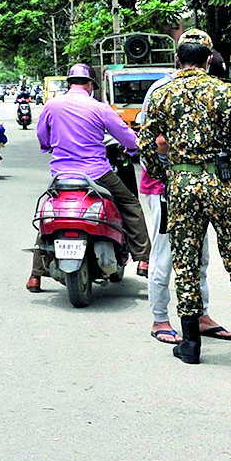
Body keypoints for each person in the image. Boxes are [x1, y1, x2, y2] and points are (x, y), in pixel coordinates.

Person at [143, 40, 231, 369]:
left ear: (177, 59)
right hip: (222, 183)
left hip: (183, 185)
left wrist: (162, 173)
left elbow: (146, 142)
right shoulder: (226, 92)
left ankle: (190, 343)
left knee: (186, 264)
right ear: (208, 60)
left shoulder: (161, 93)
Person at [135, 34, 231, 345]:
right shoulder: (163, 91)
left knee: (200, 255)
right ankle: (160, 318)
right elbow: (153, 141)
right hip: (167, 185)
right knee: (165, 254)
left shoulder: (211, 89)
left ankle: (201, 315)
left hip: (199, 186)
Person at [27, 63, 150, 292]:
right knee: (130, 204)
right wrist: (134, 148)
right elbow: (127, 136)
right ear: (90, 84)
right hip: (97, 174)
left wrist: (48, 147)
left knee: (52, 214)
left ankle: (35, 275)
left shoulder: (52, 105)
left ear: (69, 83)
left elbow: (42, 135)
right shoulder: (99, 107)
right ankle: (143, 258)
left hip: (62, 176)